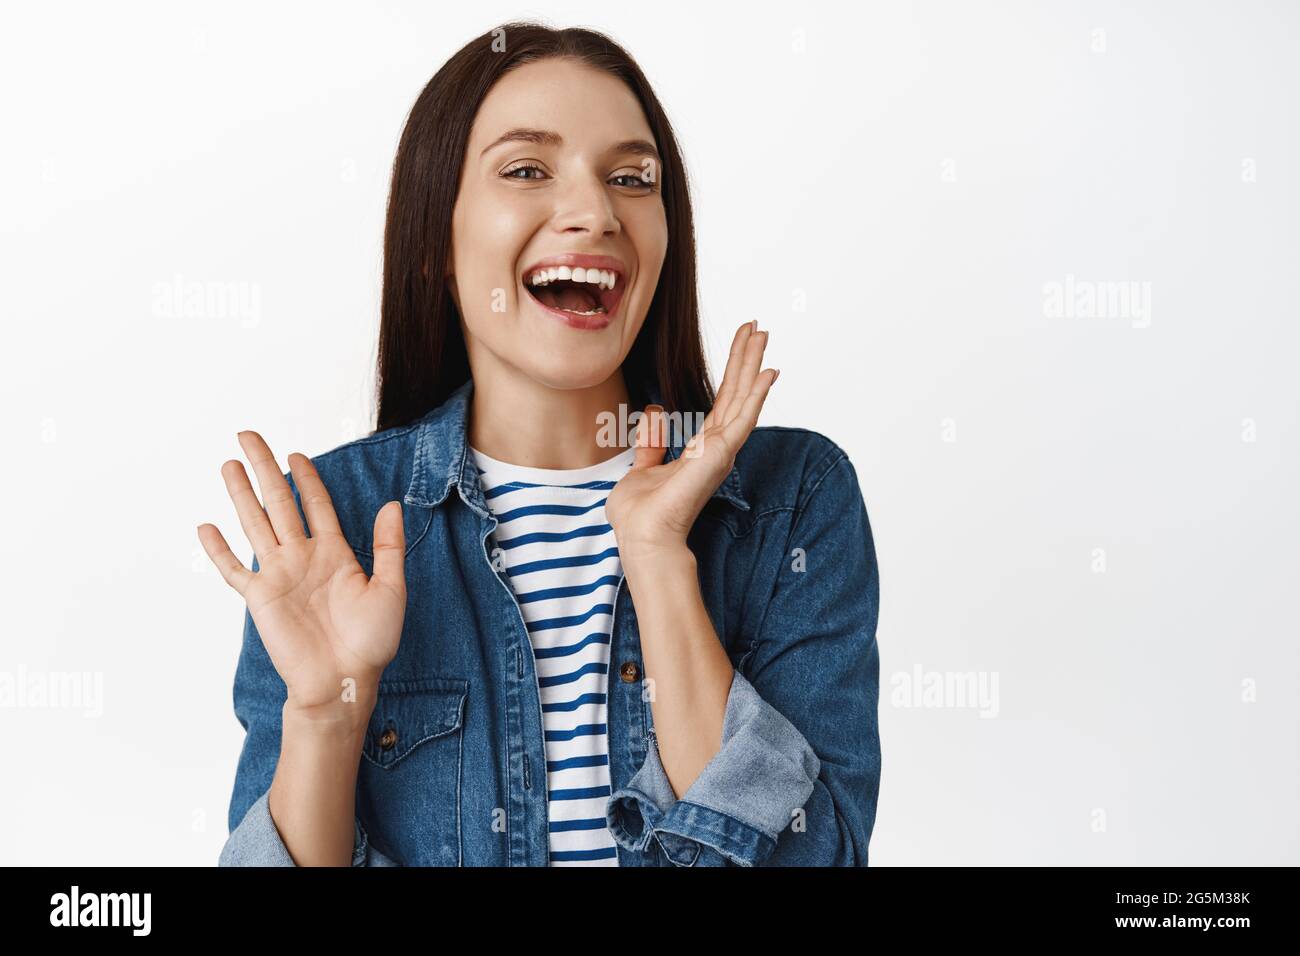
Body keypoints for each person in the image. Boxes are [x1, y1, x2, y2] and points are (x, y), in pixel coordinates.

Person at [199, 21, 881, 867]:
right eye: (527, 170)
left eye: (633, 179)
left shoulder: (791, 501)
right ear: (435, 248)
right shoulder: (331, 528)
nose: (596, 212)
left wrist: (660, 557)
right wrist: (327, 717)